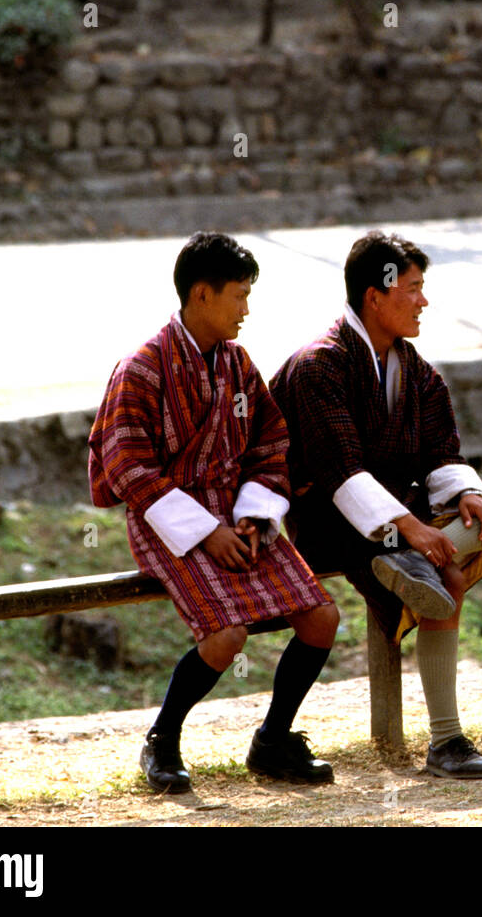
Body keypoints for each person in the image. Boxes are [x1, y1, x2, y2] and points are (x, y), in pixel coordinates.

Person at [269, 231, 482, 780]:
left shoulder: (416, 371)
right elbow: (340, 473)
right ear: (376, 294)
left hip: (400, 515)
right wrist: (411, 528)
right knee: (450, 579)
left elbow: (442, 452)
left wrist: (464, 495)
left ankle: (410, 559)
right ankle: (446, 741)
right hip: (329, 519)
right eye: (413, 289)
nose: (423, 301)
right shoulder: (320, 365)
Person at [88, 232, 339, 794]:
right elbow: (128, 467)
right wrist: (206, 533)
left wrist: (254, 515)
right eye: (239, 296)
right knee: (226, 635)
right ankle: (163, 740)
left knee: (322, 619)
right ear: (201, 294)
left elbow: (270, 440)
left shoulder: (237, 363)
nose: (247, 310)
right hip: (167, 521)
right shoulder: (142, 368)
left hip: (238, 516)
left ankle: (274, 739)